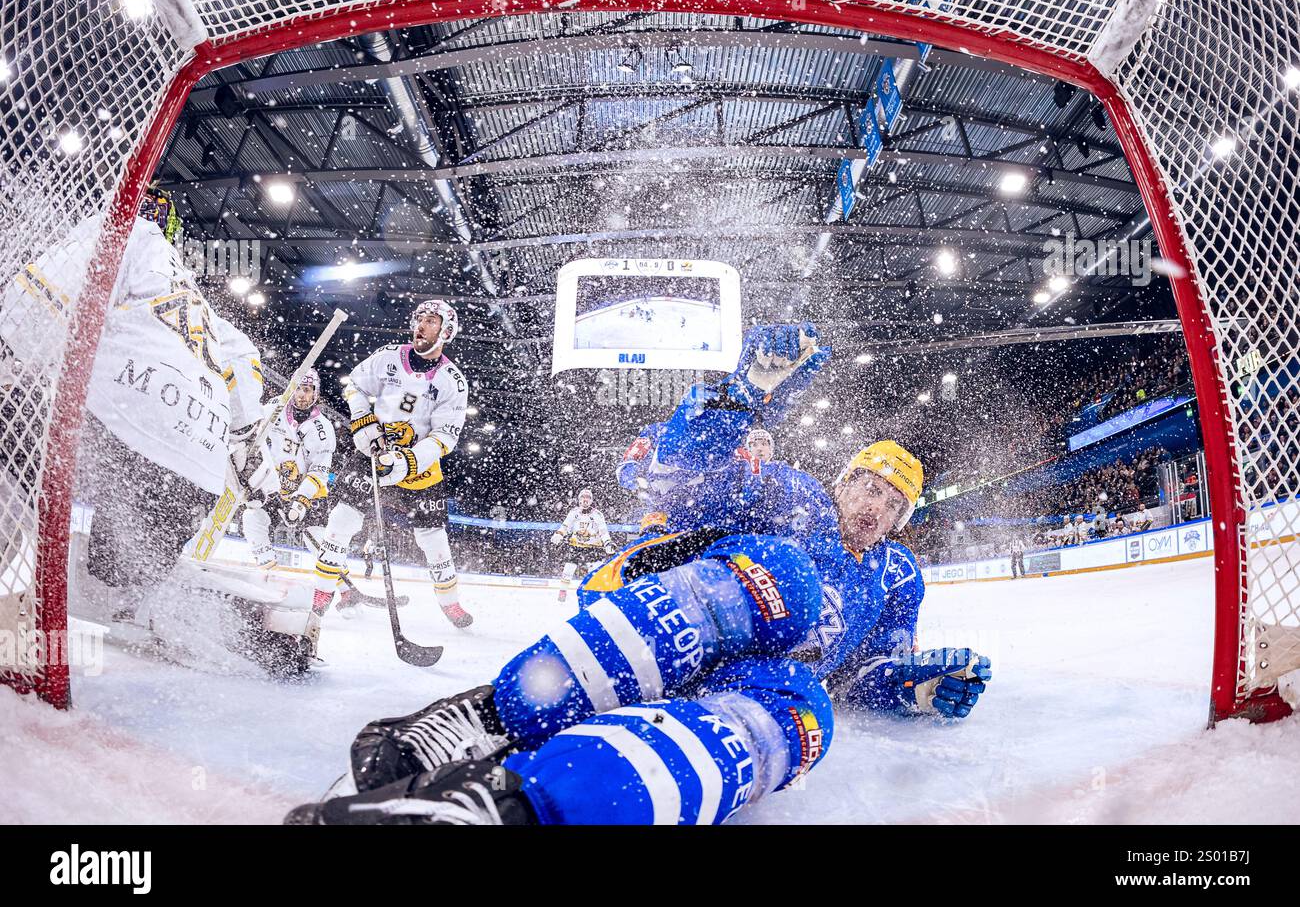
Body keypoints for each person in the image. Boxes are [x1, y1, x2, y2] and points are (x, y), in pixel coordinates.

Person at [286, 324, 991, 825]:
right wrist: (741, 394)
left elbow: (866, 671)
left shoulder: (899, 578)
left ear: (903, 520)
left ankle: (515, 807)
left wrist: (916, 686)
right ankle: (491, 717)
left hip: (736, 682)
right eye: (868, 485)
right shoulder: (790, 492)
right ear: (843, 481)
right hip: (679, 623)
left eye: (893, 503)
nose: (874, 506)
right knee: (791, 581)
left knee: (808, 714)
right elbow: (676, 473)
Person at [0, 188, 263, 591]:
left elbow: (30, 312)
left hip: (120, 430)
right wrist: (243, 441)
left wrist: (16, 360)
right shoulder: (202, 308)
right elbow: (245, 365)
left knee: (11, 435)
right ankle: (128, 596)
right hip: (196, 478)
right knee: (115, 585)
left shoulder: (121, 230)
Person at [310, 300, 473, 629]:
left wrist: (409, 461)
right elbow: (355, 385)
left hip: (420, 466)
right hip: (374, 451)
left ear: (446, 332)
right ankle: (322, 593)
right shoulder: (388, 356)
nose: (420, 325)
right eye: (419, 319)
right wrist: (363, 421)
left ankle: (450, 603)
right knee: (342, 520)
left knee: (433, 538)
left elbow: (445, 437)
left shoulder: (452, 382)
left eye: (430, 321)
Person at [239, 368, 336, 575]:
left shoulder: (324, 429)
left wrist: (300, 502)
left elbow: (319, 472)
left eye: (307, 389)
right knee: (252, 518)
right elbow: (251, 432)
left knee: (321, 543)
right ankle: (268, 572)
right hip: (275, 488)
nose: (301, 394)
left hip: (309, 495)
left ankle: (339, 583)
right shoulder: (274, 409)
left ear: (316, 393)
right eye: (298, 388)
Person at [551, 488, 616, 602]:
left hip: (593, 547)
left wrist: (607, 543)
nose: (585, 500)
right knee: (568, 569)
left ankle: (597, 594)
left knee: (595, 572)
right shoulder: (573, 512)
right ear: (579, 499)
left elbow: (603, 531)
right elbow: (565, 526)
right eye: (583, 497)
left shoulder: (597, 514)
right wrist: (559, 534)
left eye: (588, 498)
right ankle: (562, 592)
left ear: (591, 500)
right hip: (576, 545)